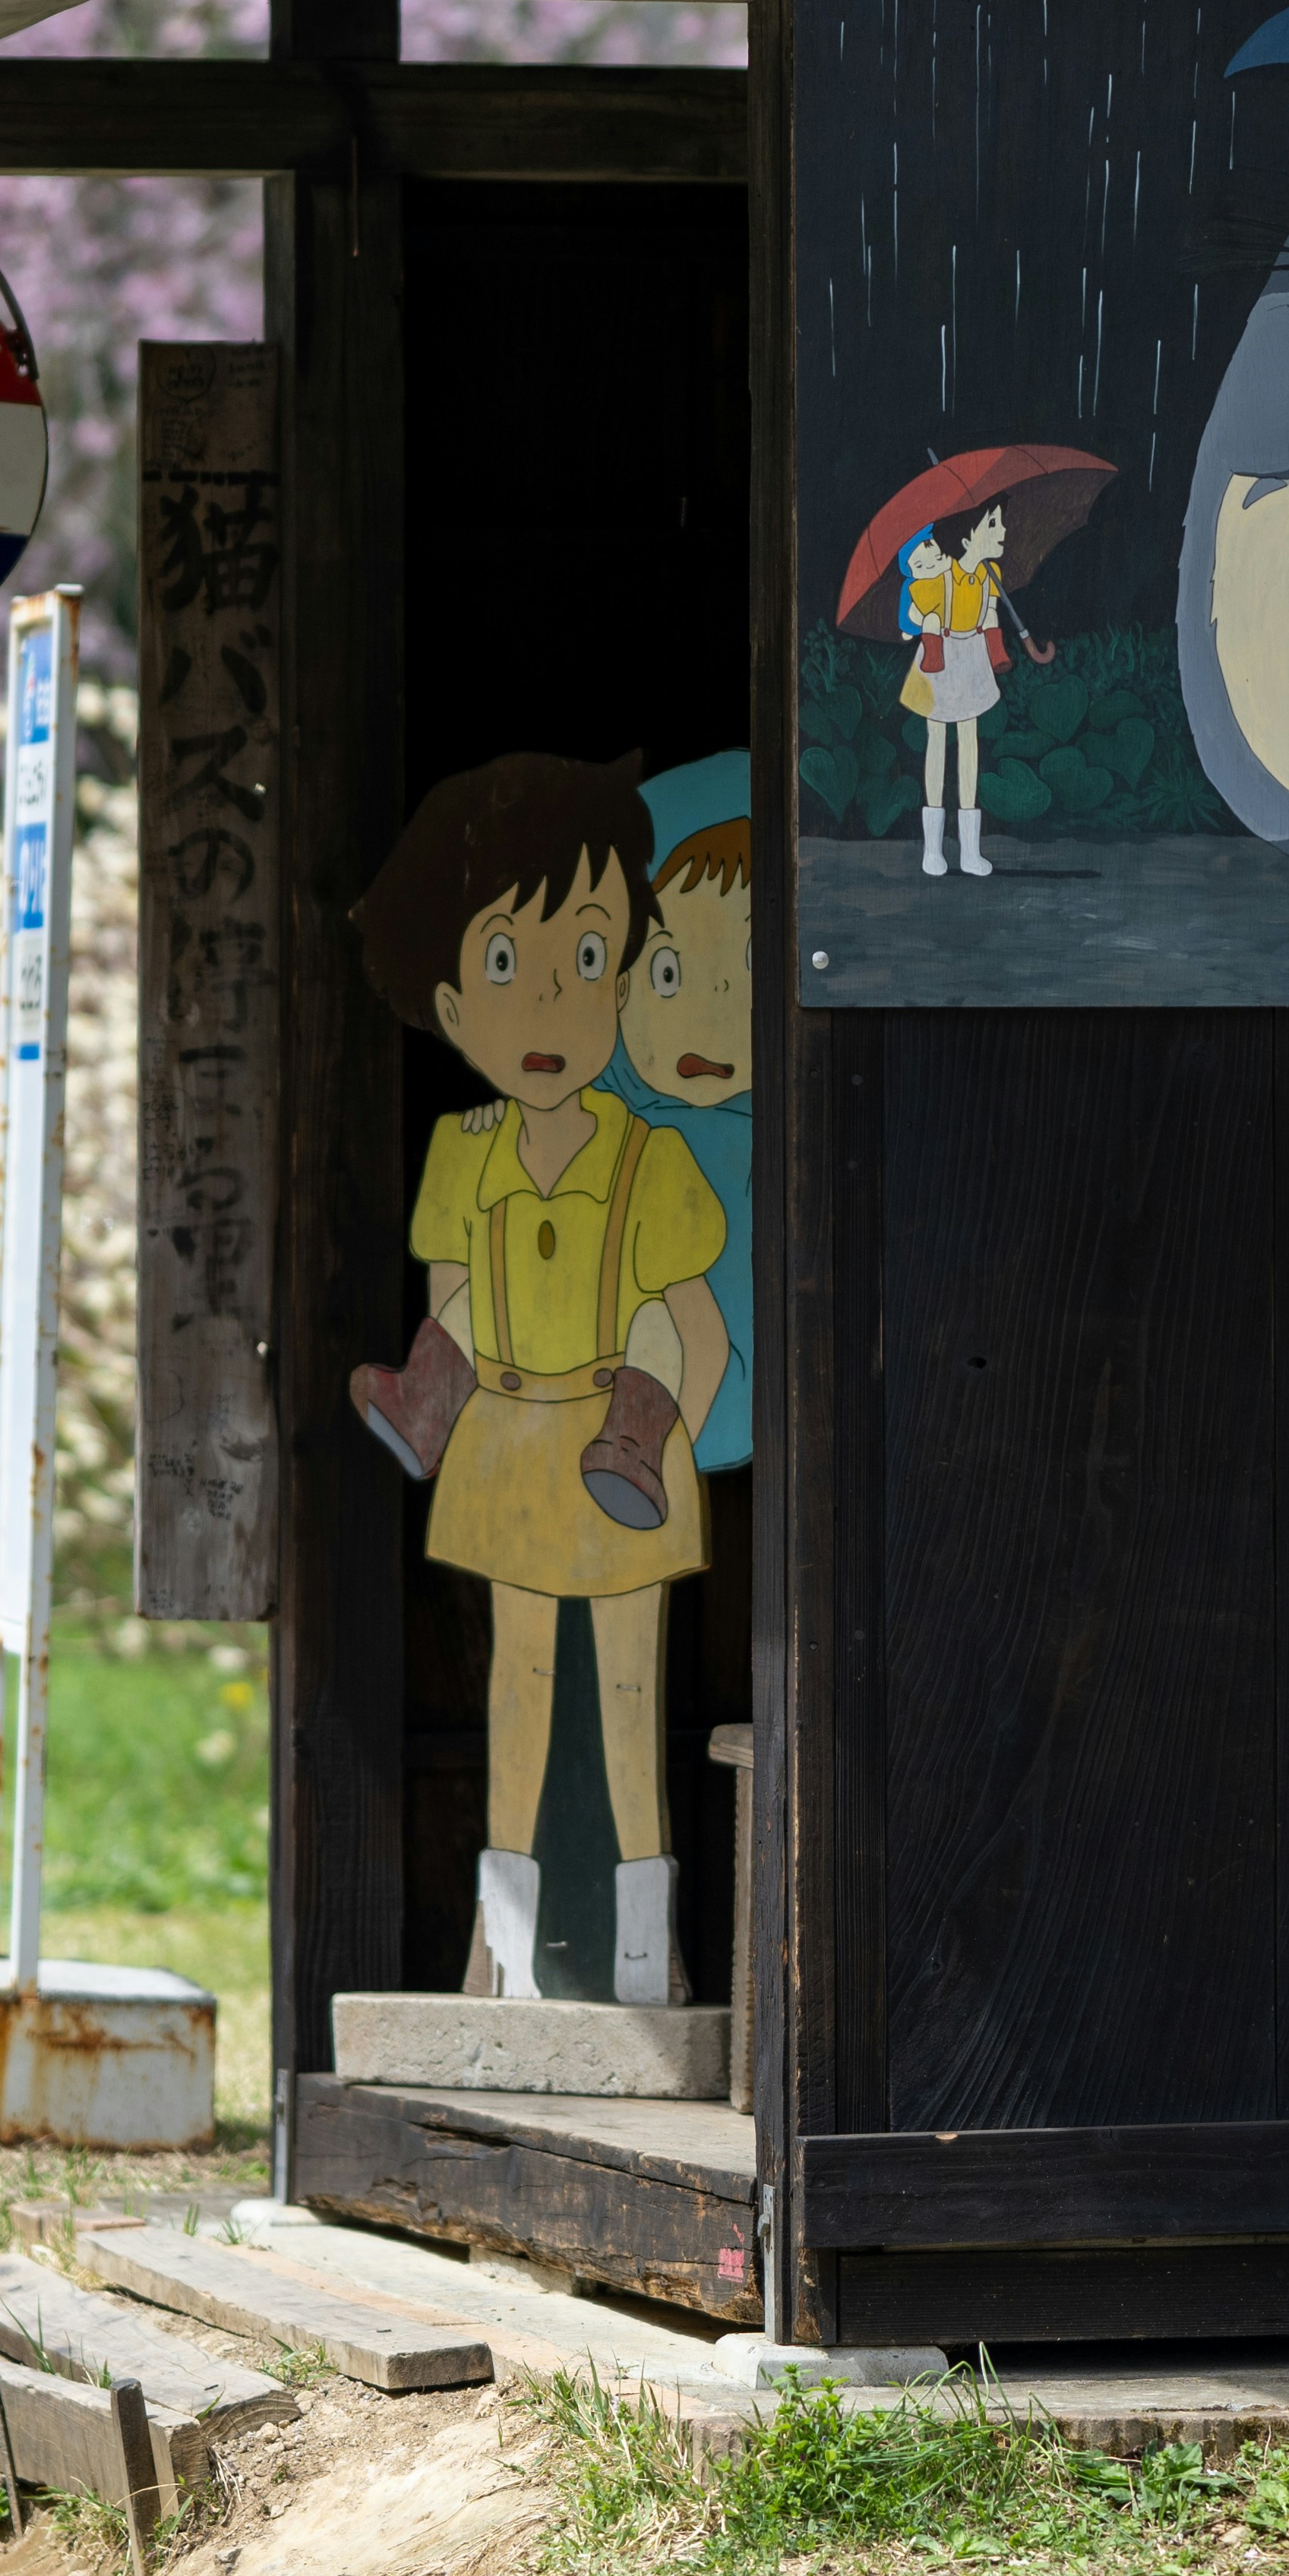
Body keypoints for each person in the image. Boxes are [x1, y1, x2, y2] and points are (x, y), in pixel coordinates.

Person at [342, 752, 731, 2007]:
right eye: (506, 965)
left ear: (623, 983)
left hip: (618, 1439)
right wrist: (436, 1395)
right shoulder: (464, 1152)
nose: (547, 1005)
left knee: (625, 1688)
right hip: (509, 1430)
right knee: (518, 1679)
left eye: (586, 960)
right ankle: (499, 1947)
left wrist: (673, 1422)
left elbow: (697, 1323)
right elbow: (452, 1297)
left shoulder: (652, 1155)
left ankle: (640, 1956)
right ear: (453, 1004)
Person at [601, 759, 762, 1473]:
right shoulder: (604, 1122)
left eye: (754, 963)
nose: (708, 1009)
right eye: (669, 973)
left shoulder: (795, 1137)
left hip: (749, 1393)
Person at [901, 501, 1011, 875]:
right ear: (966, 537)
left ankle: (969, 851)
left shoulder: (989, 574)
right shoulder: (936, 580)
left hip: (973, 657)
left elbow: (990, 615)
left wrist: (998, 646)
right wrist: (923, 618)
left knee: (970, 742)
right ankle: (933, 848)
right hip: (941, 659)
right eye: (992, 523)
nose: (1002, 532)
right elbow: (914, 617)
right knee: (937, 741)